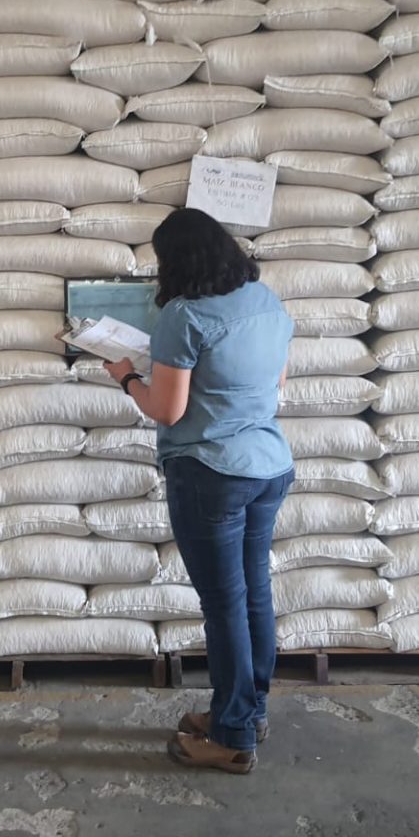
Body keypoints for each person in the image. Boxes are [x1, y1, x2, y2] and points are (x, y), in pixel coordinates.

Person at [105, 207, 294, 775]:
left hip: (210, 473)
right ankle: (248, 712)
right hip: (269, 467)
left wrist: (126, 378)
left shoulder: (183, 315)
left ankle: (234, 737)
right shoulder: (267, 303)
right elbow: (276, 382)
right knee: (253, 594)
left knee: (224, 604)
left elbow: (167, 408)